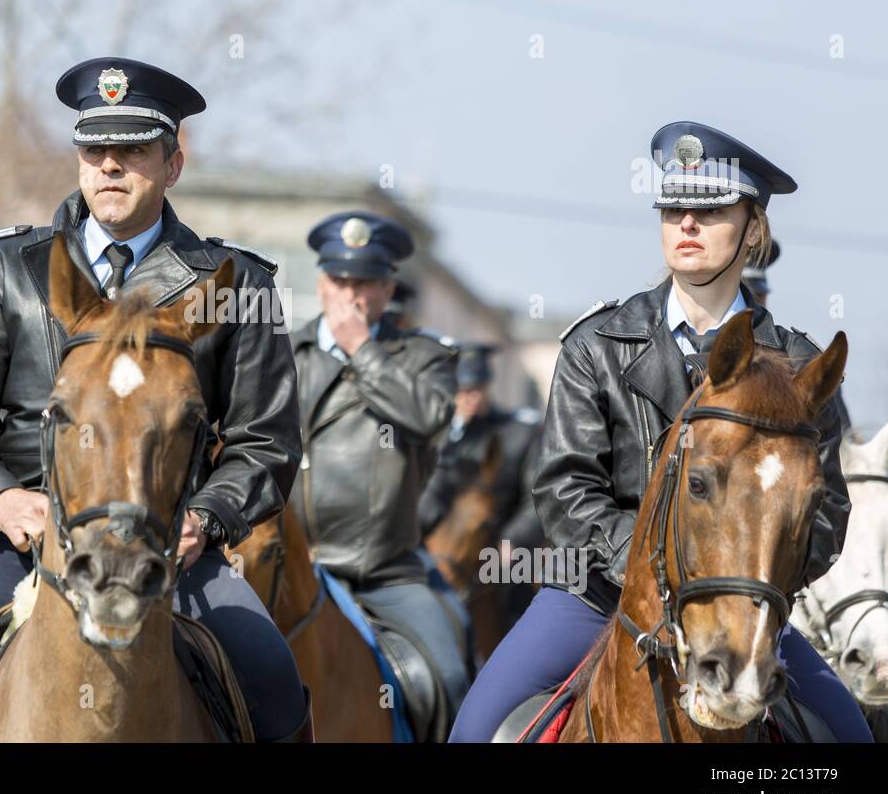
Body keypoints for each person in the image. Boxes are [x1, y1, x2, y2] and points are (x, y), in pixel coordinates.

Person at [0, 57, 311, 742]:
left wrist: (207, 518)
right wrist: (0, 497)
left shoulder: (236, 284)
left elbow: (267, 441)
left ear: (172, 165)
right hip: (18, 544)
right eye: (94, 149)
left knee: (274, 686)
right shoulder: (1, 270)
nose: (110, 165)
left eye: (131, 150)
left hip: (170, 546)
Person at [450, 120, 871, 742]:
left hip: (744, 606)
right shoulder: (595, 345)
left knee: (851, 735)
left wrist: (752, 586)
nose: (687, 225)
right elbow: (564, 488)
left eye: (710, 211)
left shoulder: (802, 368)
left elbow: (828, 510)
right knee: (474, 729)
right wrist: (658, 573)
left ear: (754, 227)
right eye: (673, 209)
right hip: (593, 595)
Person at [290, 211, 471, 733]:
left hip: (386, 575)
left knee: (450, 681)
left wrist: (362, 351)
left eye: (365, 282)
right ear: (321, 283)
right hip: (290, 566)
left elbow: (432, 416)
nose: (351, 295)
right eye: (340, 280)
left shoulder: (423, 356)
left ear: (389, 288)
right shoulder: (286, 354)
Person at [418, 343, 544, 625]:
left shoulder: (520, 433)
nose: (471, 398)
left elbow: (537, 499)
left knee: (516, 590)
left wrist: (513, 540)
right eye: (463, 391)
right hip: (446, 546)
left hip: (500, 546)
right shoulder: (439, 438)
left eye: (478, 389)